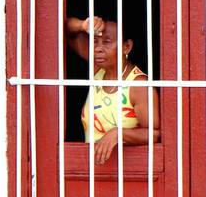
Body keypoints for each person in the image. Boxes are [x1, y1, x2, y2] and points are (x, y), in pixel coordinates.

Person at [66, 16, 160, 164]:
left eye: (107, 42)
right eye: (95, 42)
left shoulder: (138, 86)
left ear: (127, 46)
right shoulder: (98, 70)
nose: (98, 48)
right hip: (90, 170)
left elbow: (154, 134)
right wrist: (83, 25)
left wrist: (118, 133)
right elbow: (65, 29)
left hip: (127, 173)